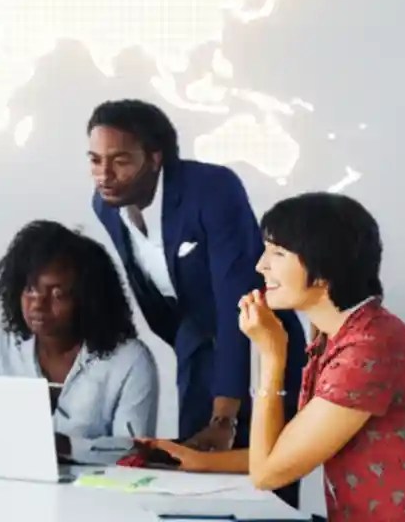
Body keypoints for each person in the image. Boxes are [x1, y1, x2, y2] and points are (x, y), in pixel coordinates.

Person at [139, 193, 405, 521]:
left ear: (325, 272)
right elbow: (285, 451)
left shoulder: (366, 352)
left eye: (278, 253)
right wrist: (198, 461)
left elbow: (269, 475)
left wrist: (271, 356)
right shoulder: (345, 333)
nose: (260, 265)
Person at [87, 100, 307, 454]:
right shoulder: (106, 207)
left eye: (120, 160)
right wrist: (188, 344)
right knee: (195, 474)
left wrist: (224, 417)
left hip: (260, 344)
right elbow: (150, 292)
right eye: (95, 160)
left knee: (267, 481)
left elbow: (238, 297)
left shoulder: (212, 190)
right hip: (199, 350)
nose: (104, 175)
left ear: (154, 158)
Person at [0, 220, 158, 463]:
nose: (37, 304)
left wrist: (64, 446)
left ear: (87, 299)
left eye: (56, 294)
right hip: (10, 487)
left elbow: (134, 451)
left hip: (97, 496)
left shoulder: (130, 361)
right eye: (30, 290)